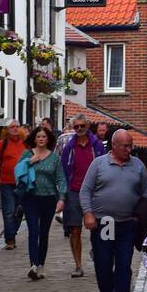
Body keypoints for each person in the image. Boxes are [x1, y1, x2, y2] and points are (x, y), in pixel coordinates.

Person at [80, 129, 147, 292]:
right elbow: (85, 190)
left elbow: (146, 193)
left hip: (128, 222)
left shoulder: (137, 165)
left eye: (131, 145)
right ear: (114, 146)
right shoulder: (99, 164)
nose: (129, 149)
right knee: (104, 262)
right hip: (106, 222)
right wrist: (88, 213)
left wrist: (141, 216)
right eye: (125, 146)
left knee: (124, 262)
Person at [16, 125, 67, 280]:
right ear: (34, 138)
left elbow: (60, 179)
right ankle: (33, 264)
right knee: (33, 231)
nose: (41, 139)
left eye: (44, 137)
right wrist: (29, 162)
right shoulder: (26, 154)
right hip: (30, 197)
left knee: (43, 233)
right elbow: (17, 172)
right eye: (38, 136)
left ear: (48, 139)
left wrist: (62, 198)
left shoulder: (54, 158)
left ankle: (40, 264)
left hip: (49, 198)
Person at [60, 114, 106, 277]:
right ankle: (78, 265)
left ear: (87, 127)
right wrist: (63, 194)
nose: (79, 129)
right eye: (76, 127)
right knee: (75, 229)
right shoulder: (69, 148)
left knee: (99, 228)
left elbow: (104, 167)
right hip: (74, 191)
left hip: (95, 192)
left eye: (82, 126)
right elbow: (64, 171)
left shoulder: (98, 146)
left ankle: (99, 252)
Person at [0, 120, 27, 250]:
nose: (15, 129)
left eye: (17, 126)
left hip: (22, 184)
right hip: (7, 183)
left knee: (19, 211)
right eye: (12, 127)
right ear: (7, 130)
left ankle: (12, 232)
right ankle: (10, 239)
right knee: (9, 212)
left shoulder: (26, 144)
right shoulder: (2, 144)